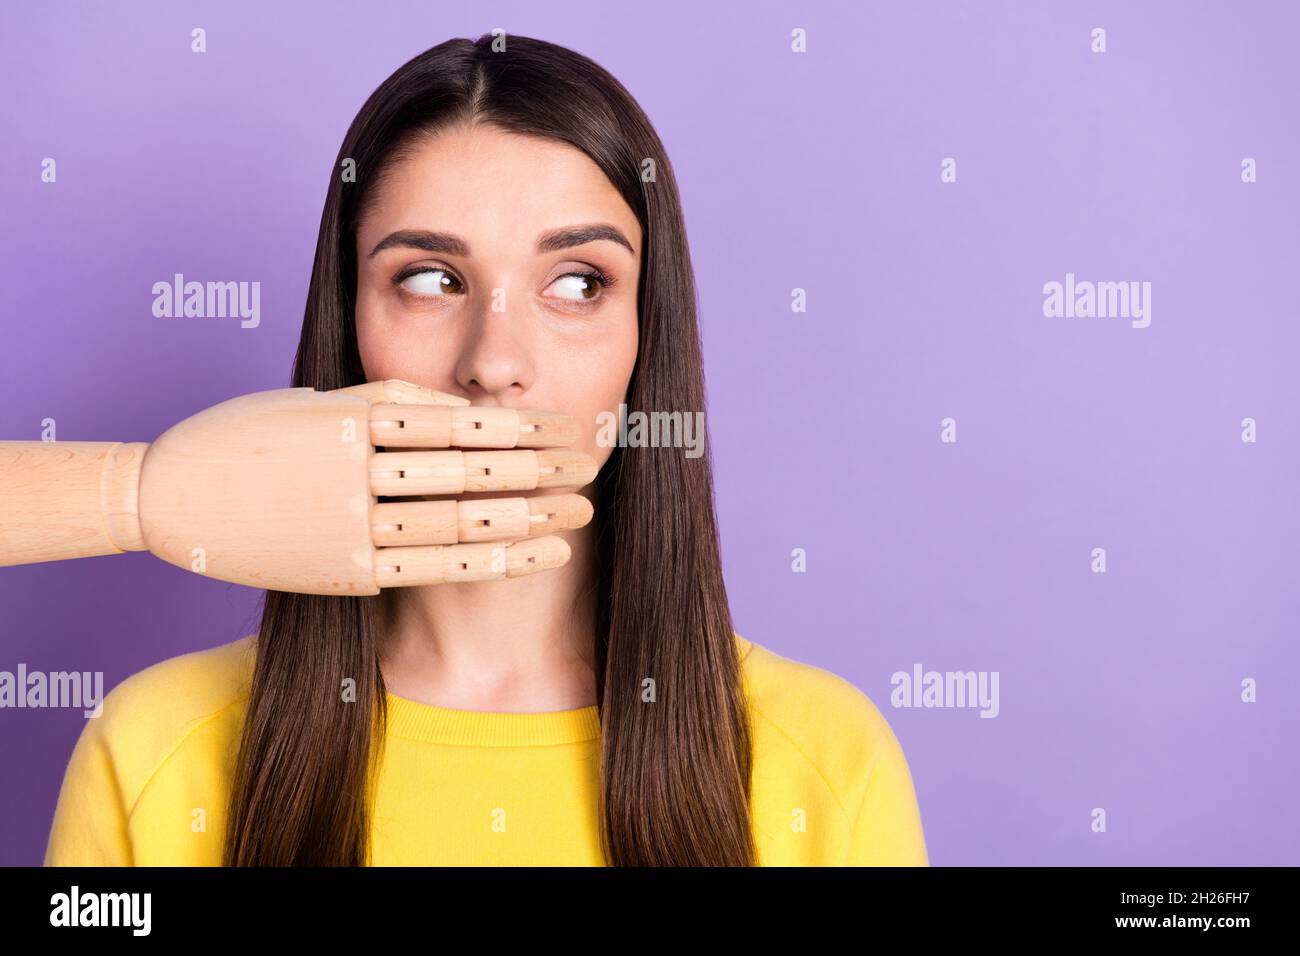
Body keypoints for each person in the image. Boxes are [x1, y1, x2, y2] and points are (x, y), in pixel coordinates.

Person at [41, 33, 928, 866]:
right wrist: (132, 494)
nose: (494, 363)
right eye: (429, 280)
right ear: (348, 330)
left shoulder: (827, 763)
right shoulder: (154, 750)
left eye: (578, 283)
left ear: (643, 341)